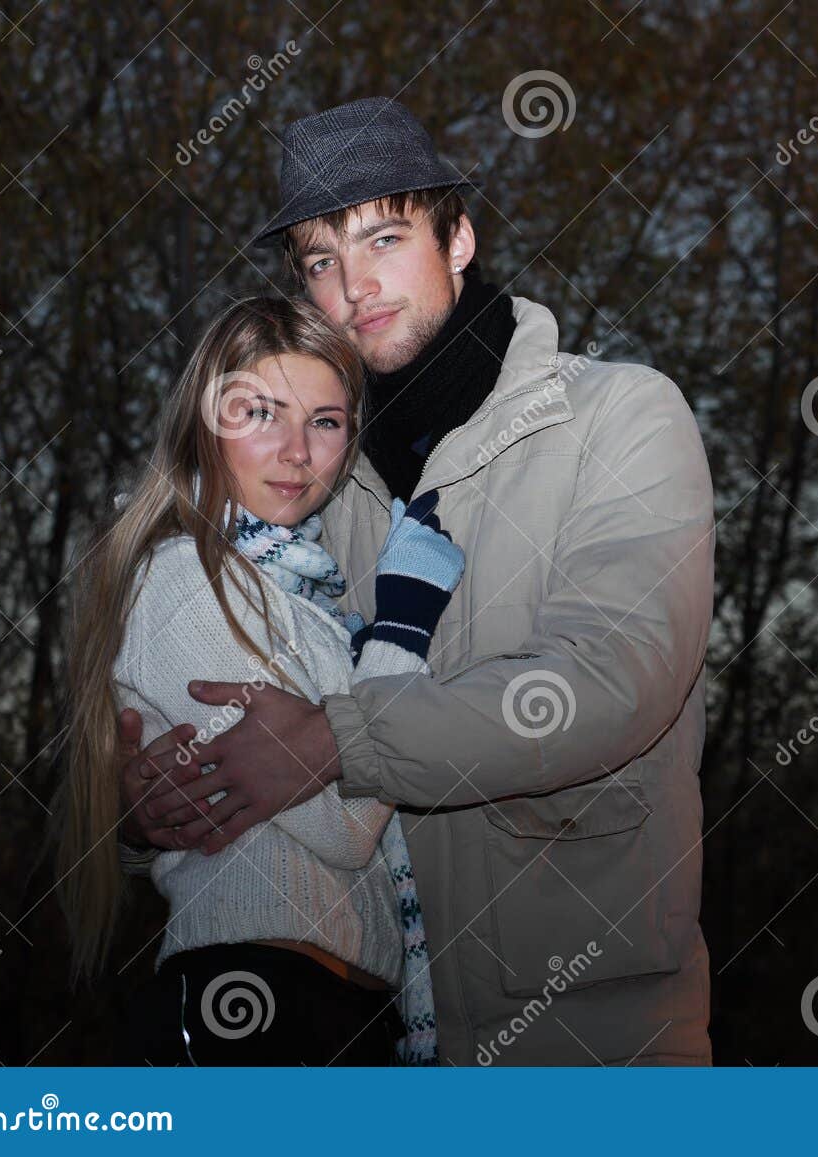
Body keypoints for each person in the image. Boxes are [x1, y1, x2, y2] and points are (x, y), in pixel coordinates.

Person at [117, 97, 716, 1065]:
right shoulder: (312, 483)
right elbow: (234, 701)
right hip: (367, 1039)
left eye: (384, 238)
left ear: (460, 238)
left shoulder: (621, 417)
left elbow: (612, 681)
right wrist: (161, 796)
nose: (353, 286)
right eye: (320, 260)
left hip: (593, 1042)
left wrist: (335, 740)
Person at [55, 295, 463, 1065]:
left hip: (335, 1007)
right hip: (252, 1003)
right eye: (261, 413)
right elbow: (345, 828)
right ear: (204, 425)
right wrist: (403, 629)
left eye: (326, 421)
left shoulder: (300, 592)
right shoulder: (186, 578)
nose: (298, 453)